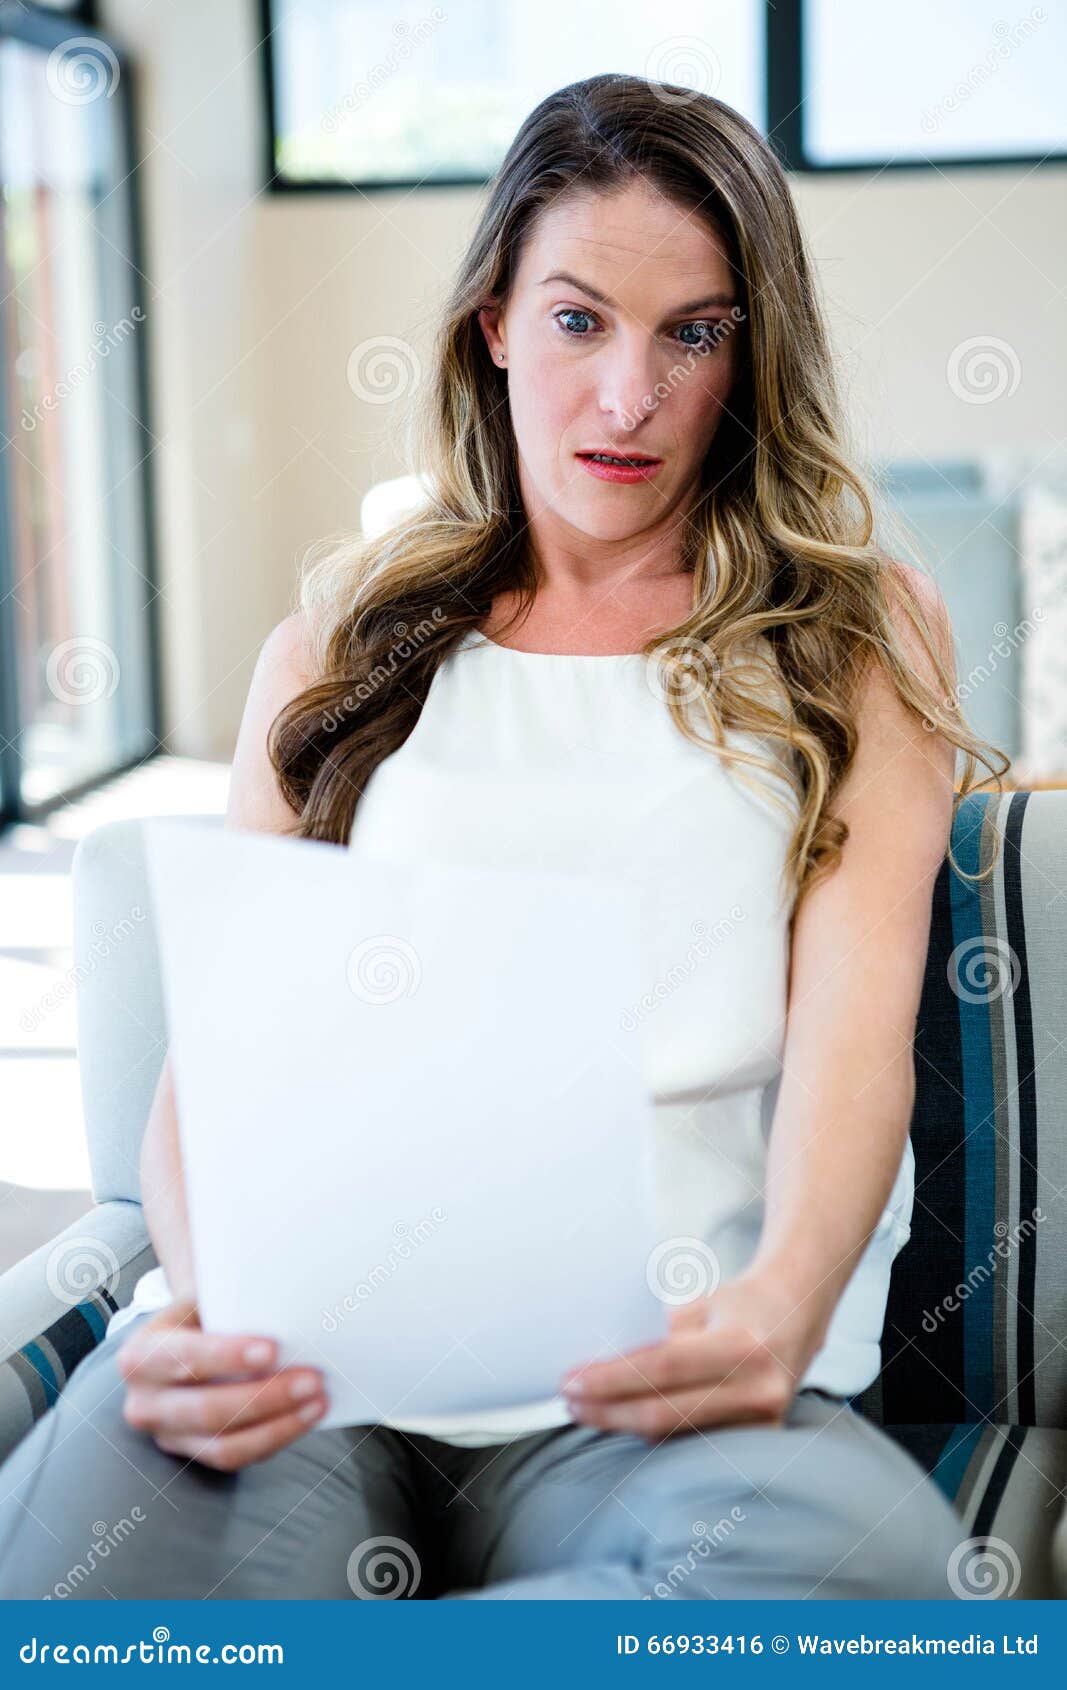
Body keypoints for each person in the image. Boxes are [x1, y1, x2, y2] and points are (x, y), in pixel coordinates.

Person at [0, 73, 1008, 1602]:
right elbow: (217, 1068)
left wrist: (786, 1304)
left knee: (871, 1594)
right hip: (305, 1366)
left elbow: (855, 1046)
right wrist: (205, 1303)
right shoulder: (341, 641)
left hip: (657, 1383)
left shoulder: (851, 637)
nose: (629, 397)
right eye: (578, 320)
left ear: (753, 352)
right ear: (493, 323)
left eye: (695, 333)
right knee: (97, 1597)